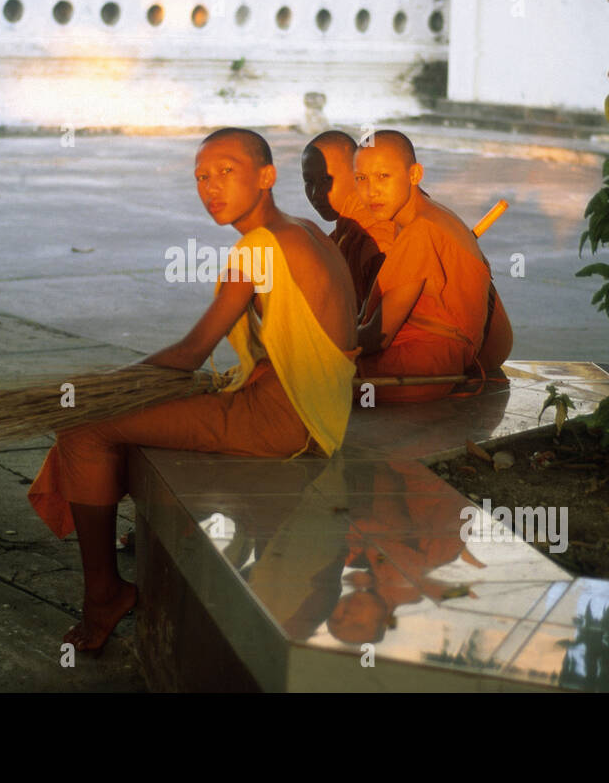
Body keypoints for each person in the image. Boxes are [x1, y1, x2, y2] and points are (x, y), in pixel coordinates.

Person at [28, 128, 360, 653]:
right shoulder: (306, 232)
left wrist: (105, 388)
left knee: (83, 424)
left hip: (282, 419)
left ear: (267, 177)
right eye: (201, 177)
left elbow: (189, 354)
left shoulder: (260, 247)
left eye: (227, 172)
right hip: (312, 410)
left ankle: (104, 596)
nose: (211, 188)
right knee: (107, 413)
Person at [353, 130, 512, 402]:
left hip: (425, 367)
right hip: (441, 361)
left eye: (383, 176)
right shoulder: (429, 217)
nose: (371, 190)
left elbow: (376, 337)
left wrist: (318, 343)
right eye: (361, 178)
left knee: (307, 381)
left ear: (414, 175)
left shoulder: (422, 230)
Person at [300, 130, 394, 313]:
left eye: (326, 179)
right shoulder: (344, 233)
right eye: (308, 182)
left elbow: (380, 318)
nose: (315, 193)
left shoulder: (376, 233)